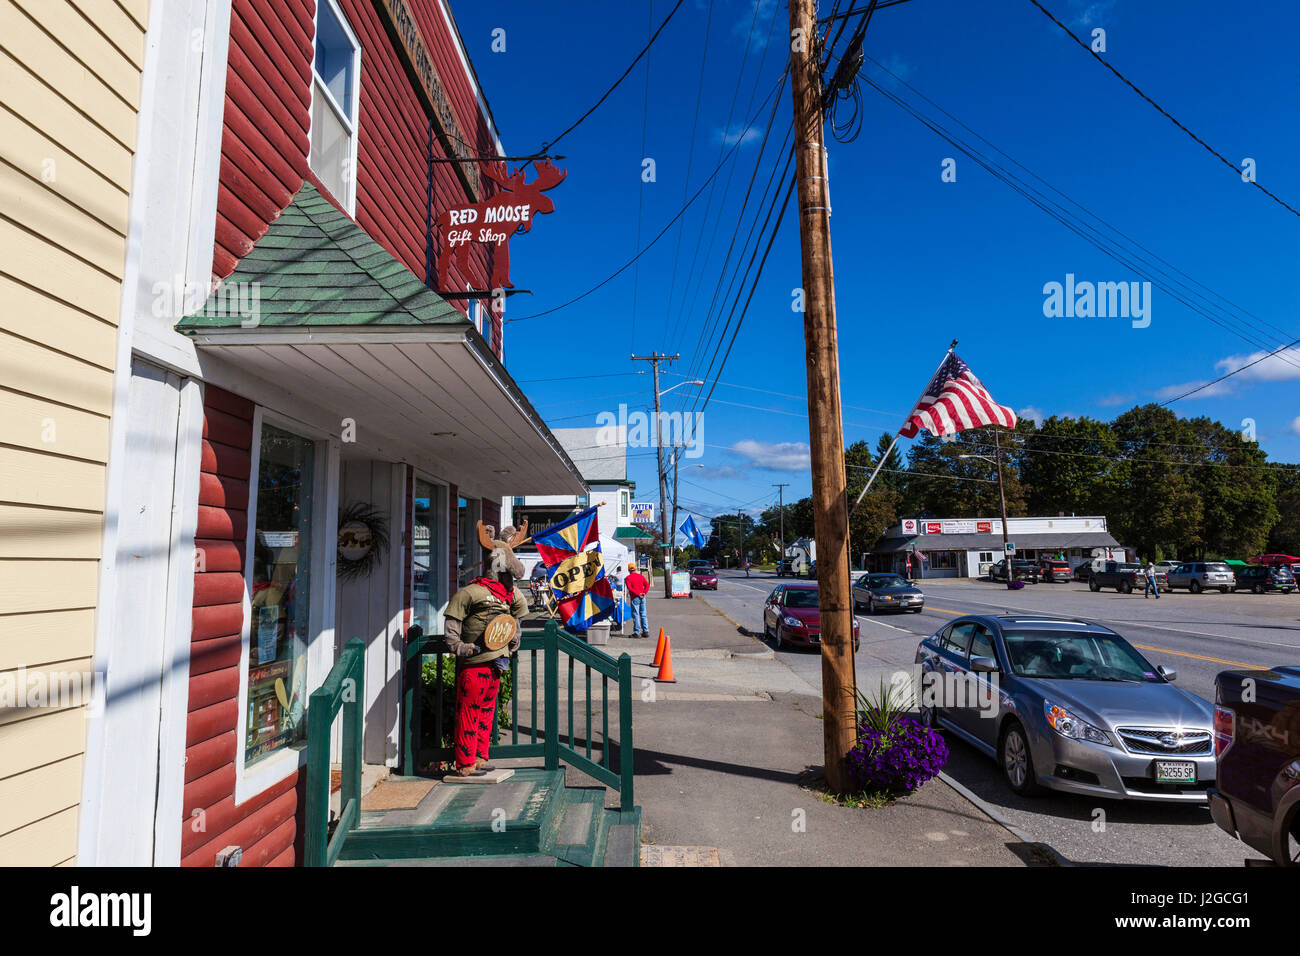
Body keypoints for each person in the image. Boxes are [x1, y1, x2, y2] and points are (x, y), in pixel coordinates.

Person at [443, 521, 528, 776]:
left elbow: (518, 619)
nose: (508, 575)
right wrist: (458, 647)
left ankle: (480, 755)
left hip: (497, 663)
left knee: (486, 713)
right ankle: (465, 762)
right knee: (469, 711)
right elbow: (452, 624)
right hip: (475, 662)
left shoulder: (508, 594)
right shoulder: (470, 592)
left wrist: (515, 638)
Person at [625, 565, 650, 639]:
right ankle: (645, 631)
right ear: (635, 569)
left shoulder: (628, 578)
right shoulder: (640, 576)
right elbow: (647, 585)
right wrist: (644, 593)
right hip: (642, 597)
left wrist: (637, 594)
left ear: (629, 570)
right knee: (643, 614)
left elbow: (630, 588)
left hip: (635, 597)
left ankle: (637, 632)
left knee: (635, 615)